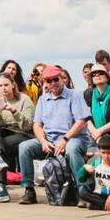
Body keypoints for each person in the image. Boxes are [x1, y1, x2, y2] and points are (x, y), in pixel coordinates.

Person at [16, 64, 90, 205]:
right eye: (48, 81)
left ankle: (83, 191)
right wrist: (43, 141)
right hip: (50, 141)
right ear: (44, 83)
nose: (53, 83)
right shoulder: (43, 100)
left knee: (72, 149)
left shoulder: (75, 95)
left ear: (62, 79)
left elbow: (81, 121)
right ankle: (29, 190)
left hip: (73, 138)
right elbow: (37, 125)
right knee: (24, 147)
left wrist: (65, 139)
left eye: (55, 79)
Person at [0, 72, 35, 203]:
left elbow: (28, 125)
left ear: (13, 85)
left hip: (23, 134)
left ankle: (0, 188)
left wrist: (14, 111)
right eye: (0, 86)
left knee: (2, 146)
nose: (3, 88)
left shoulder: (24, 99)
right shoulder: (0, 100)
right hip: (5, 132)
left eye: (6, 85)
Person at [83, 65, 110, 151]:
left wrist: (100, 131)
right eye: (94, 74)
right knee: (85, 149)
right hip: (94, 133)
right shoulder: (88, 94)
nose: (97, 76)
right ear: (92, 80)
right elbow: (87, 117)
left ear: (107, 77)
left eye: (100, 73)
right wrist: (95, 133)